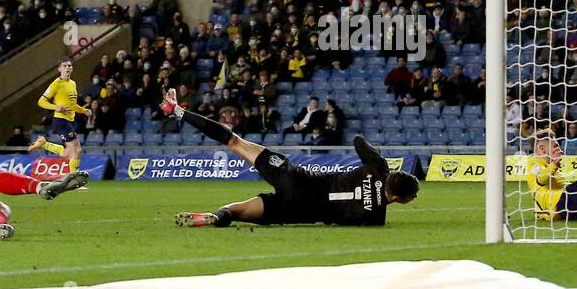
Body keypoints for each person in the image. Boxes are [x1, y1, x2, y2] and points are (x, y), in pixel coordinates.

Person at [163, 90, 419, 227]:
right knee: (237, 211)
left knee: (234, 141)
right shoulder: (374, 218)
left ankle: (177, 110)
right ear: (398, 198)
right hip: (298, 211)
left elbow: (358, 142)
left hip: (296, 180)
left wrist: (381, 165)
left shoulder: (377, 169)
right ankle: (218, 217)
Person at [27, 57, 92, 173]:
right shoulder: (56, 84)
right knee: (74, 151)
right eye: (65, 66)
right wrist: (55, 107)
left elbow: (72, 105)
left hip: (70, 120)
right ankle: (74, 180)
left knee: (75, 151)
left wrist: (83, 111)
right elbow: (41, 101)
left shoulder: (72, 83)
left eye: (69, 66)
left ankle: (44, 144)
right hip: (61, 121)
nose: (68, 68)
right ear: (59, 69)